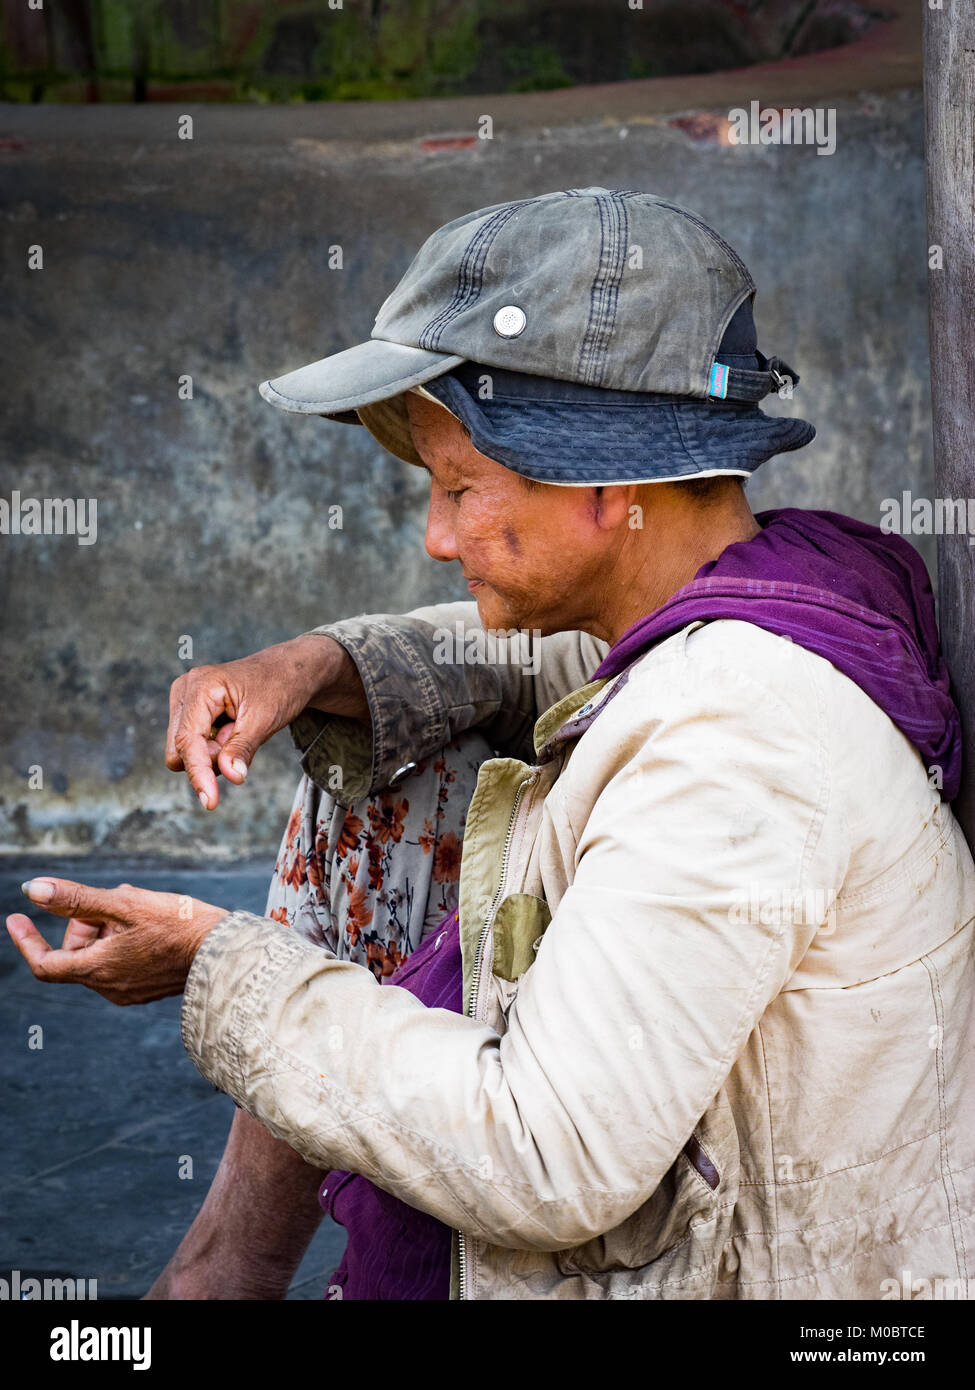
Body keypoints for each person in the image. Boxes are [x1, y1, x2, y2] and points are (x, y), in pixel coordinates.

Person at [8, 188, 975, 1301]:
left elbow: (548, 1158)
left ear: (603, 479)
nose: (435, 536)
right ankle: (219, 1279)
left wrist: (217, 969)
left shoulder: (737, 739)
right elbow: (554, 670)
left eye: (462, 488)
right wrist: (318, 664)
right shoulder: (767, 595)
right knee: (388, 746)